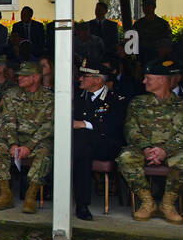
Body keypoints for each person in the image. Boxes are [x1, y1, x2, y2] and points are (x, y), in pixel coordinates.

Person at [117, 58, 183, 222]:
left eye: (148, 78)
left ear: (162, 80)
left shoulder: (180, 104)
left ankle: (168, 204)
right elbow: (130, 129)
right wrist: (146, 148)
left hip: (172, 150)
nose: (144, 81)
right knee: (125, 158)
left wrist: (165, 150)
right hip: (142, 149)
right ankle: (148, 202)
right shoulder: (138, 102)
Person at [0, 60, 54, 213]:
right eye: (19, 76)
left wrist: (29, 146)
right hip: (14, 139)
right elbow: (6, 121)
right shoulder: (11, 95)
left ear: (36, 78)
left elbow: (49, 126)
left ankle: (31, 195)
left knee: (45, 154)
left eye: (25, 76)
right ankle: (5, 194)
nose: (19, 78)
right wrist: (13, 144)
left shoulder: (49, 98)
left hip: (38, 141)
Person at [71, 59, 126, 220]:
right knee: (84, 150)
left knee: (80, 142)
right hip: (83, 146)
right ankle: (82, 205)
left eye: (85, 76)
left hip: (106, 145)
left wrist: (84, 124)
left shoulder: (115, 99)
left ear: (98, 79)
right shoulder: (75, 96)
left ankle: (57, 179)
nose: (80, 79)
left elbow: (112, 127)